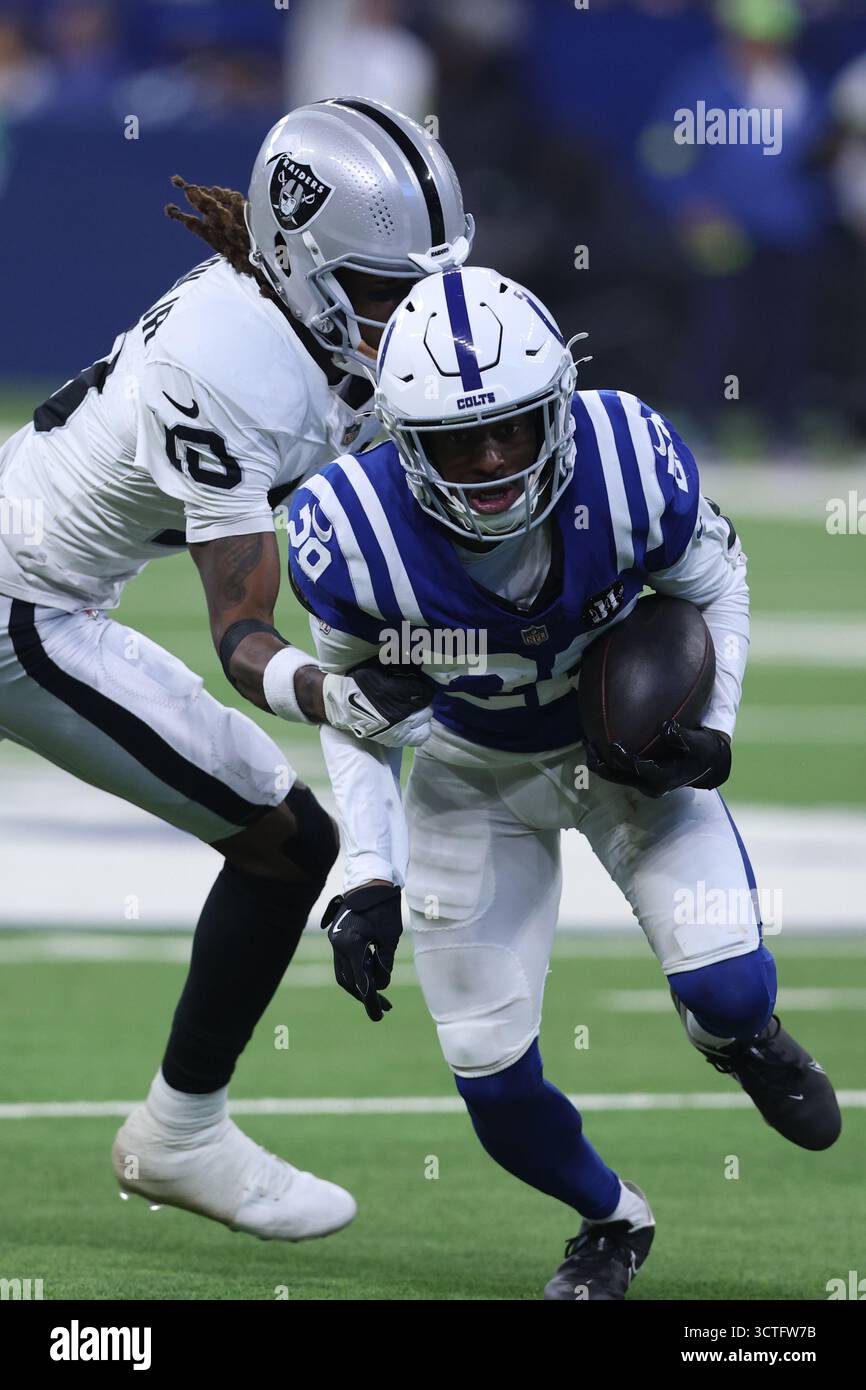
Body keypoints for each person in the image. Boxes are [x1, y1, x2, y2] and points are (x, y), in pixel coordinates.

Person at [286, 265, 841, 1298]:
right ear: (403, 440)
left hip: (619, 761)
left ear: (559, 407)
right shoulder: (349, 533)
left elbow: (714, 579)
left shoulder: (626, 454)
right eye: (459, 439)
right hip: (468, 777)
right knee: (493, 1082)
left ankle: (742, 1040)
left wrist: (709, 730)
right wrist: (366, 873)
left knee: (728, 988)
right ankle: (609, 1220)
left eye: (513, 427)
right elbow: (354, 712)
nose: (492, 458)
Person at [0, 97, 472, 1242]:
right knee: (282, 841)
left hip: (45, 577)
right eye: (381, 288)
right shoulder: (233, 364)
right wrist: (330, 698)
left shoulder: (306, 315)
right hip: (25, 608)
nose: (408, 314)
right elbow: (245, 635)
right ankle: (181, 1134)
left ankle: (180, 1131)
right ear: (305, 270)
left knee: (292, 838)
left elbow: (360, 586)